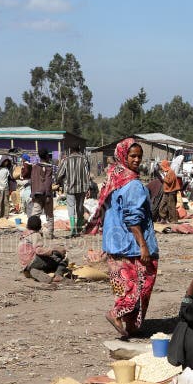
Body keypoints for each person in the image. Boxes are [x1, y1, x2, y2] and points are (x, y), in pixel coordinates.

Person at [85, 138, 158, 339]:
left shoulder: (113, 179)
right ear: (123, 156)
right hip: (133, 246)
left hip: (115, 244)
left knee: (124, 286)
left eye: (139, 156)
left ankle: (130, 326)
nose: (136, 160)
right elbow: (133, 219)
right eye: (132, 156)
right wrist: (143, 245)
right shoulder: (133, 184)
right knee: (141, 285)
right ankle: (117, 314)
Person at [17, 215, 69, 284]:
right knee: (62, 260)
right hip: (33, 260)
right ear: (39, 226)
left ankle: (33, 271)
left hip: (25, 265)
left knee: (49, 264)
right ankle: (58, 275)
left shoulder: (24, 235)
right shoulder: (35, 235)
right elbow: (38, 250)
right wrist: (53, 251)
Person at [55, 145, 92, 237]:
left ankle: (73, 230)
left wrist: (59, 182)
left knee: (71, 207)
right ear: (79, 150)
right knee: (80, 207)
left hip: (69, 188)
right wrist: (88, 187)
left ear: (70, 150)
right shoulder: (84, 160)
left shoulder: (66, 160)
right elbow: (87, 174)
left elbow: (59, 174)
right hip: (82, 187)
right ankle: (79, 227)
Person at [28, 150, 53, 237]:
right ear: (46, 156)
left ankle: (31, 232)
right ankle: (49, 234)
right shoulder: (49, 167)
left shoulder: (35, 167)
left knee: (35, 214)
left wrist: (33, 193)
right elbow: (48, 182)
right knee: (49, 215)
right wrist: (48, 195)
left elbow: (32, 181)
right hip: (46, 194)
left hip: (36, 194)